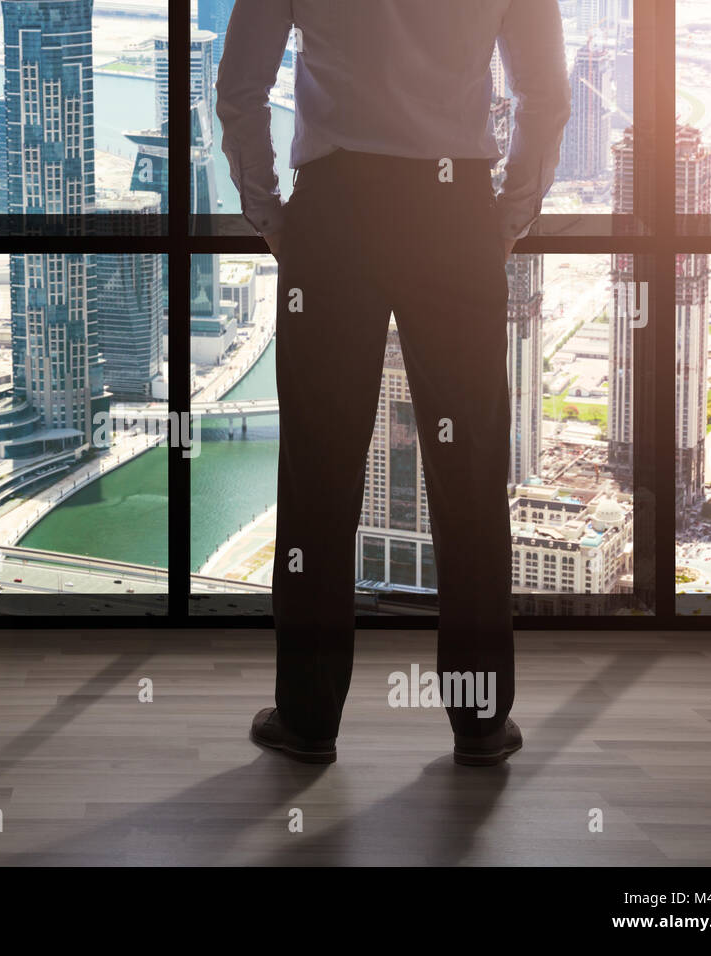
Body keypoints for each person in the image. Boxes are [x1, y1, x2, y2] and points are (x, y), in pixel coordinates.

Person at [215, 0, 571, 766]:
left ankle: (308, 718)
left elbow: (240, 88)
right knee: (471, 473)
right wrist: (505, 216)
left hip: (335, 214)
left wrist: (270, 213)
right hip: (454, 214)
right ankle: (479, 724)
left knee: (318, 470)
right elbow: (547, 95)